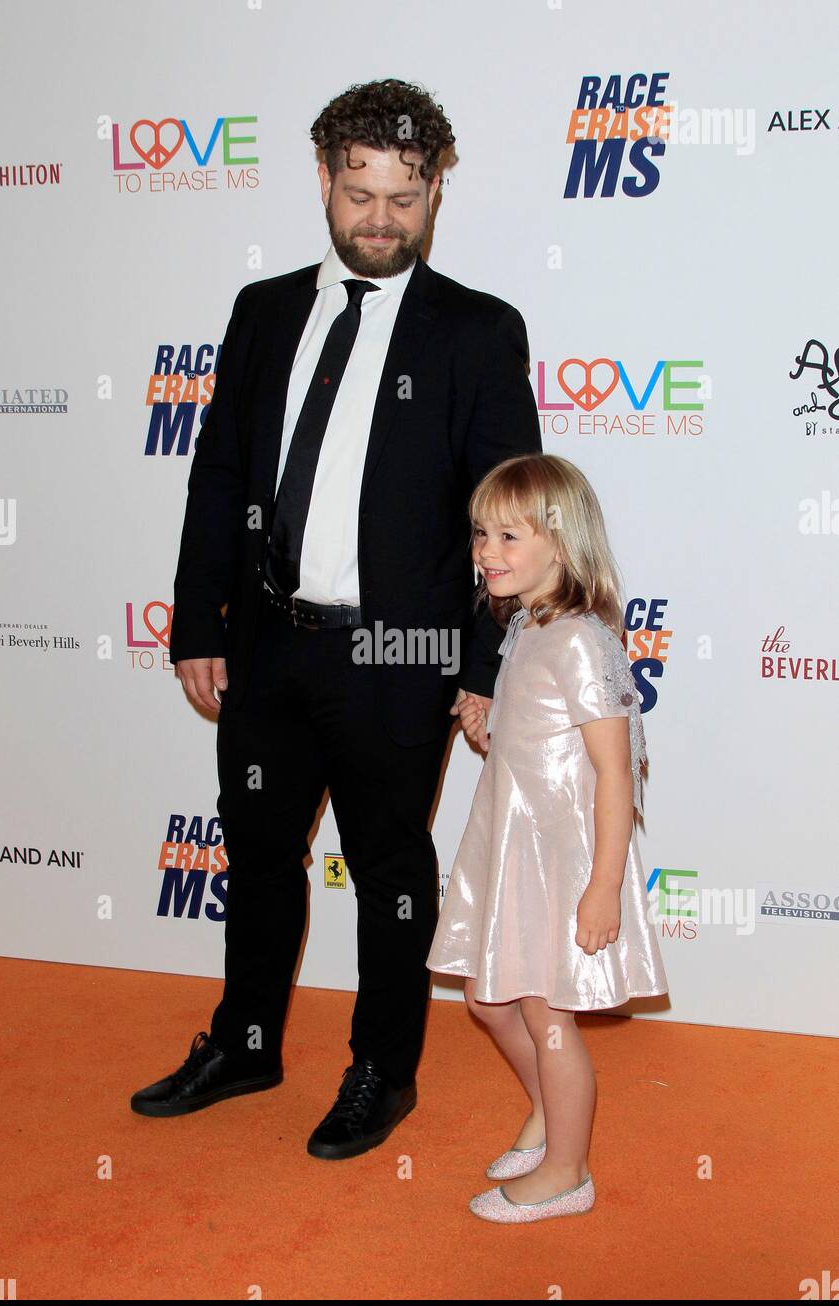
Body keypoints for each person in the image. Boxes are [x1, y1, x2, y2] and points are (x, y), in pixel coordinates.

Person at [130, 78, 542, 1160]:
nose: (379, 220)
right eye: (360, 192)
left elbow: (511, 516)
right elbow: (216, 474)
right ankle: (249, 1040)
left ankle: (380, 1069)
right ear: (323, 180)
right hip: (266, 642)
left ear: (435, 192)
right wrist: (196, 622)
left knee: (390, 875)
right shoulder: (263, 312)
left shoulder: (475, 331)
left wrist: (483, 663)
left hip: (395, 655)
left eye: (404, 198)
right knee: (258, 856)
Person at [426, 452, 669, 1220]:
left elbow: (612, 769)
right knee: (488, 999)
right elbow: (537, 735)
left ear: (561, 544)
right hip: (511, 841)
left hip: (562, 858)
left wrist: (602, 887)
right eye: (479, 535)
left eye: (507, 537)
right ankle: (547, 1115)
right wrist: (488, 721)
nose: (485, 553)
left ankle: (568, 1171)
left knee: (544, 1014)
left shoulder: (580, 640)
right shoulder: (528, 622)